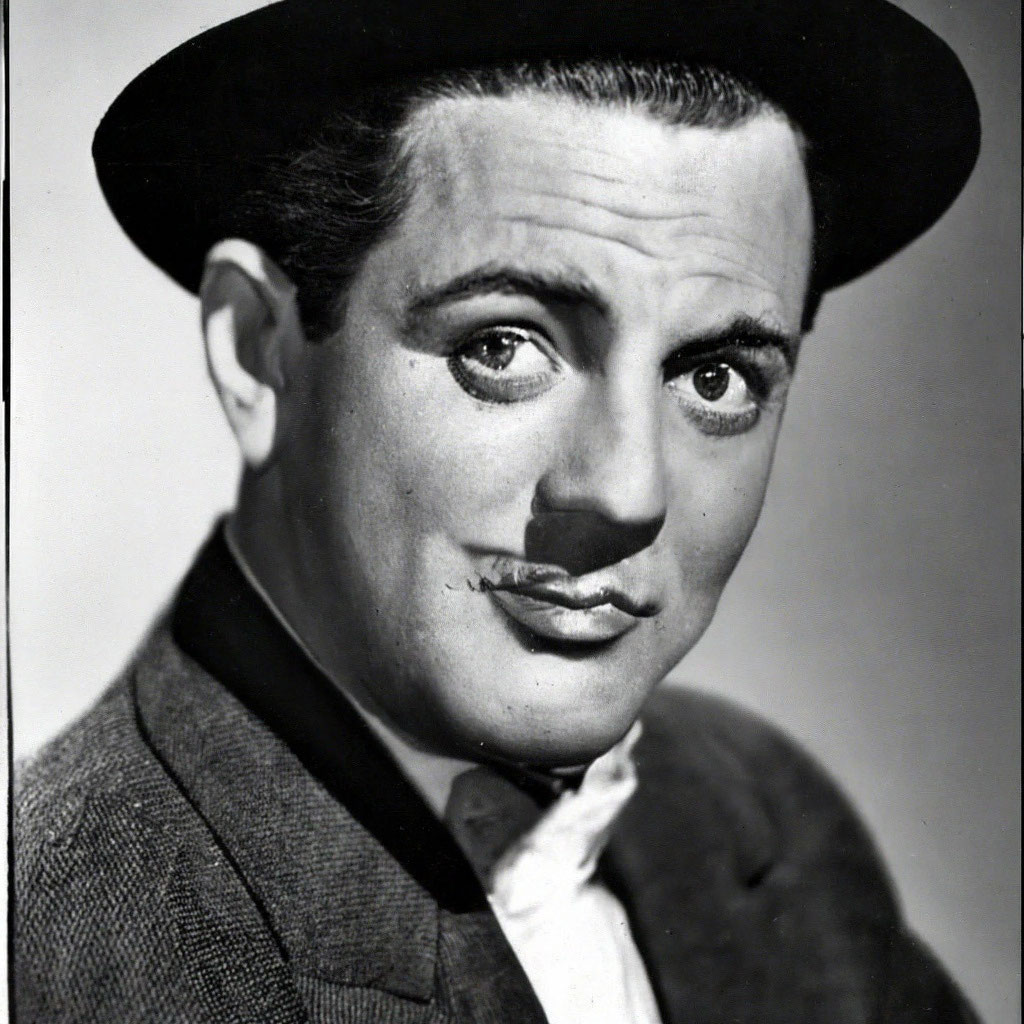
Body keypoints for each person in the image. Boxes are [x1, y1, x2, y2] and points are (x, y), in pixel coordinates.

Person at [13, 0, 984, 1021]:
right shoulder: (68, 950)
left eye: (713, 378)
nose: (627, 494)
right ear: (260, 353)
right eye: (503, 347)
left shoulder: (759, 811)